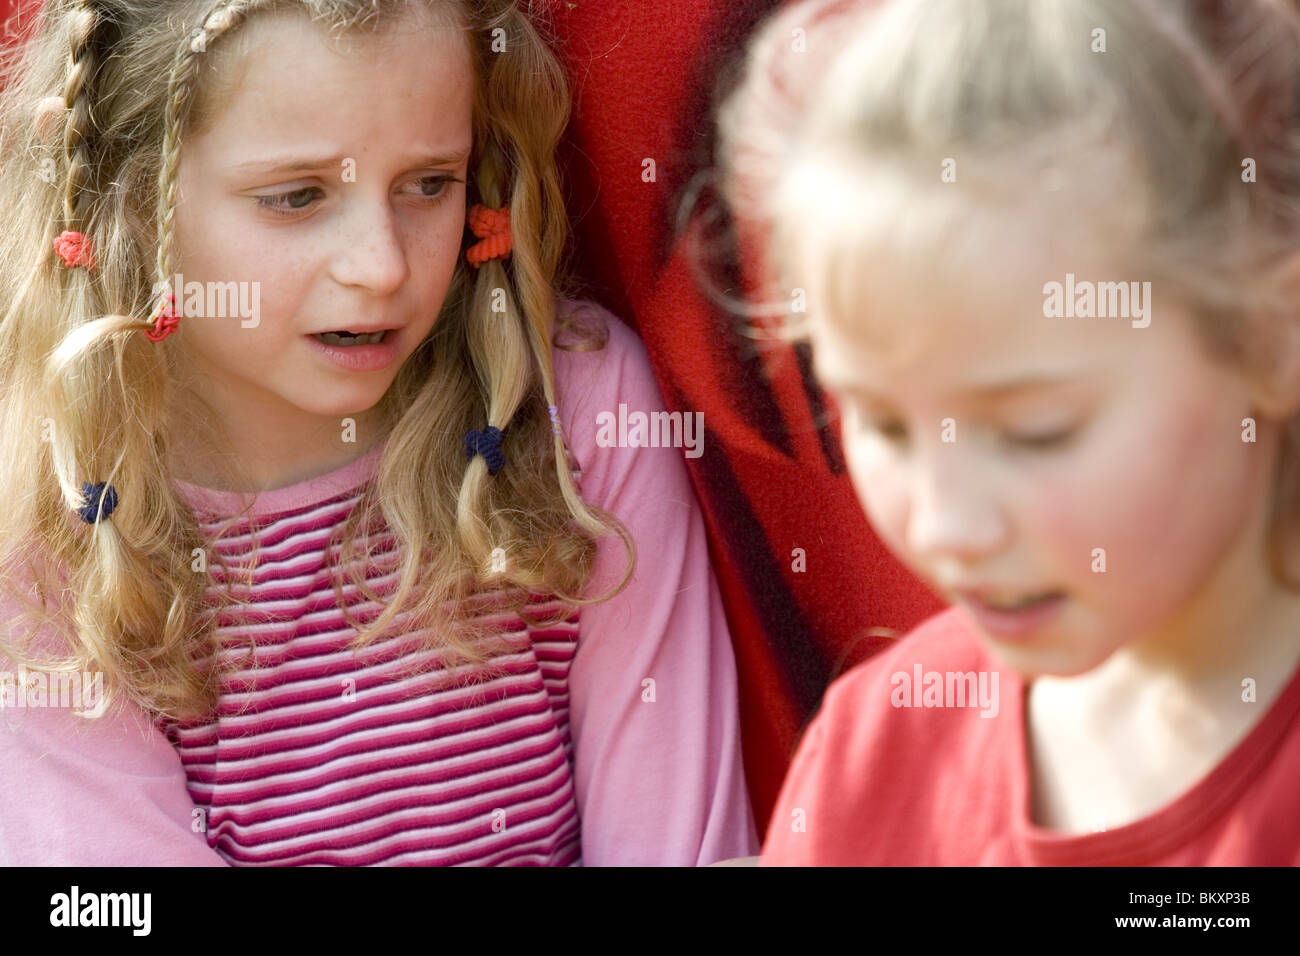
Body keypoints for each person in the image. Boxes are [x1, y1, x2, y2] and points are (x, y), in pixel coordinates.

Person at [0, 0, 757, 866]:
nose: (383, 266)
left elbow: (681, 848)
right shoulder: (53, 519)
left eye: (430, 183)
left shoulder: (568, 411)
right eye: (296, 197)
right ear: (126, 198)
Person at [719, 0, 1300, 864]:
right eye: (882, 424)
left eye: (1034, 432)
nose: (946, 526)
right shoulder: (873, 754)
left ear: (1272, 329)